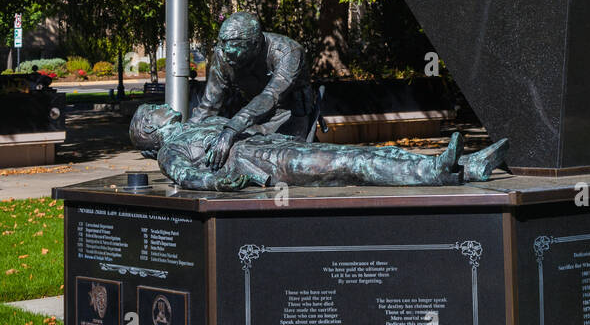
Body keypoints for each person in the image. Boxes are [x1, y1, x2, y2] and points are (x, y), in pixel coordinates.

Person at [130, 102, 509, 191]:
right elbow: (187, 175)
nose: (166, 106)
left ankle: (464, 167)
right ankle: (434, 171)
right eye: (157, 109)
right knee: (353, 162)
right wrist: (216, 183)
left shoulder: (199, 124)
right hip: (266, 162)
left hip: (274, 146)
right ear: (151, 126)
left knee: (364, 155)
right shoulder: (169, 151)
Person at [190, 11, 314, 170]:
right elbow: (208, 106)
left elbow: (271, 95)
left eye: (234, 56)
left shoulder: (289, 52)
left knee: (279, 160)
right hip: (252, 116)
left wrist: (231, 129)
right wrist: (179, 134)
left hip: (289, 115)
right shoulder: (224, 53)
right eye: (224, 51)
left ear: (255, 45)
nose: (227, 59)